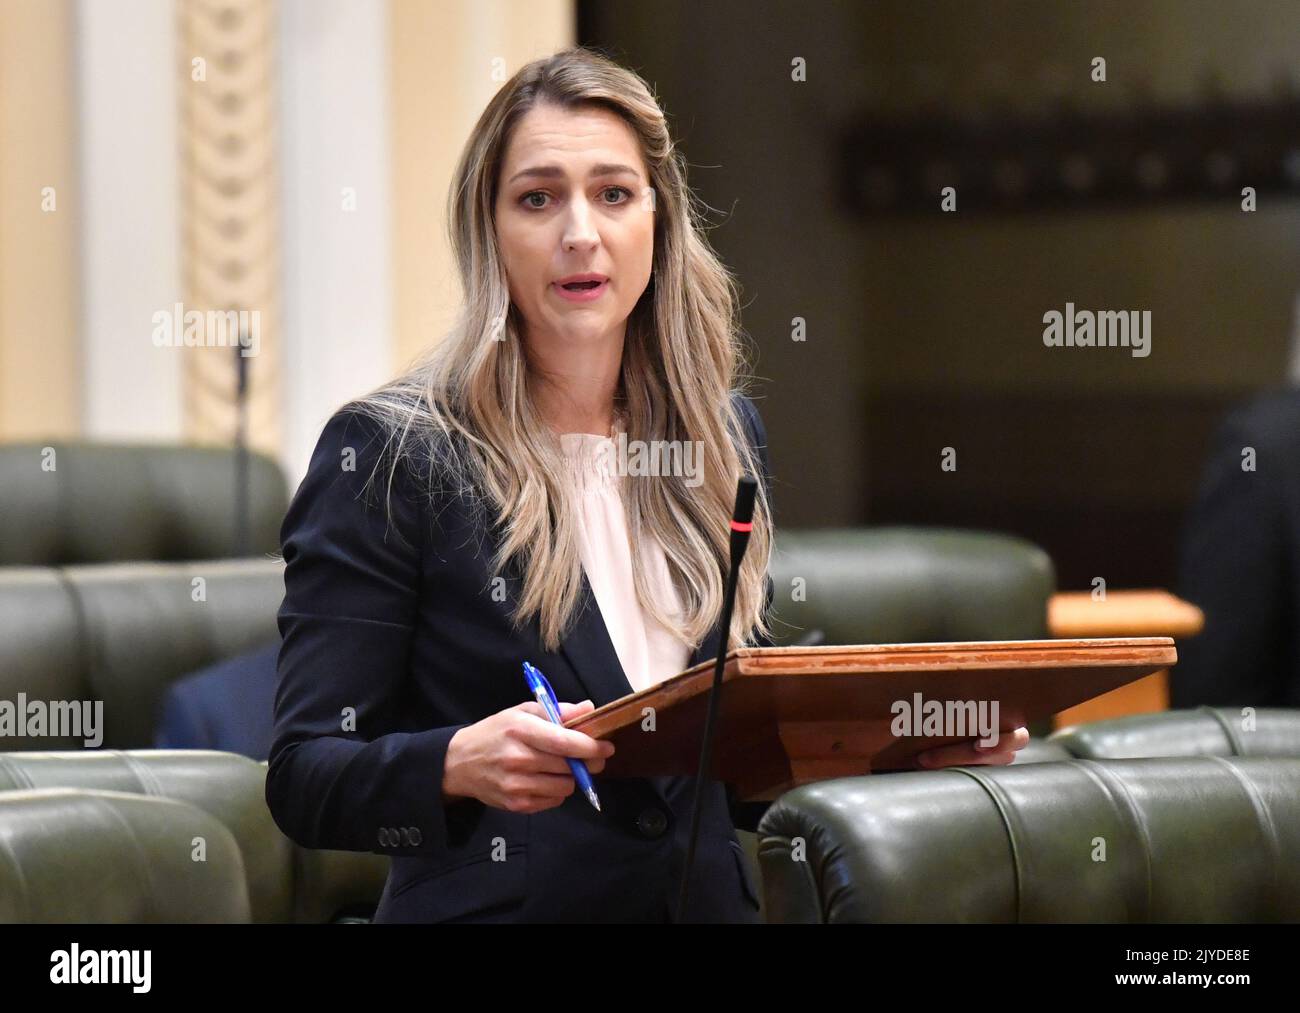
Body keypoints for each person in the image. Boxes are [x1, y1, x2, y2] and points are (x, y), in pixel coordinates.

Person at [265, 46, 1028, 924]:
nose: (580, 232)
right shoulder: (396, 455)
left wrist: (897, 753)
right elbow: (303, 773)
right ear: (490, 230)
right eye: (538, 197)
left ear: (658, 222)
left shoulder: (719, 436)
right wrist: (454, 762)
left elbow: (735, 764)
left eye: (614, 193)